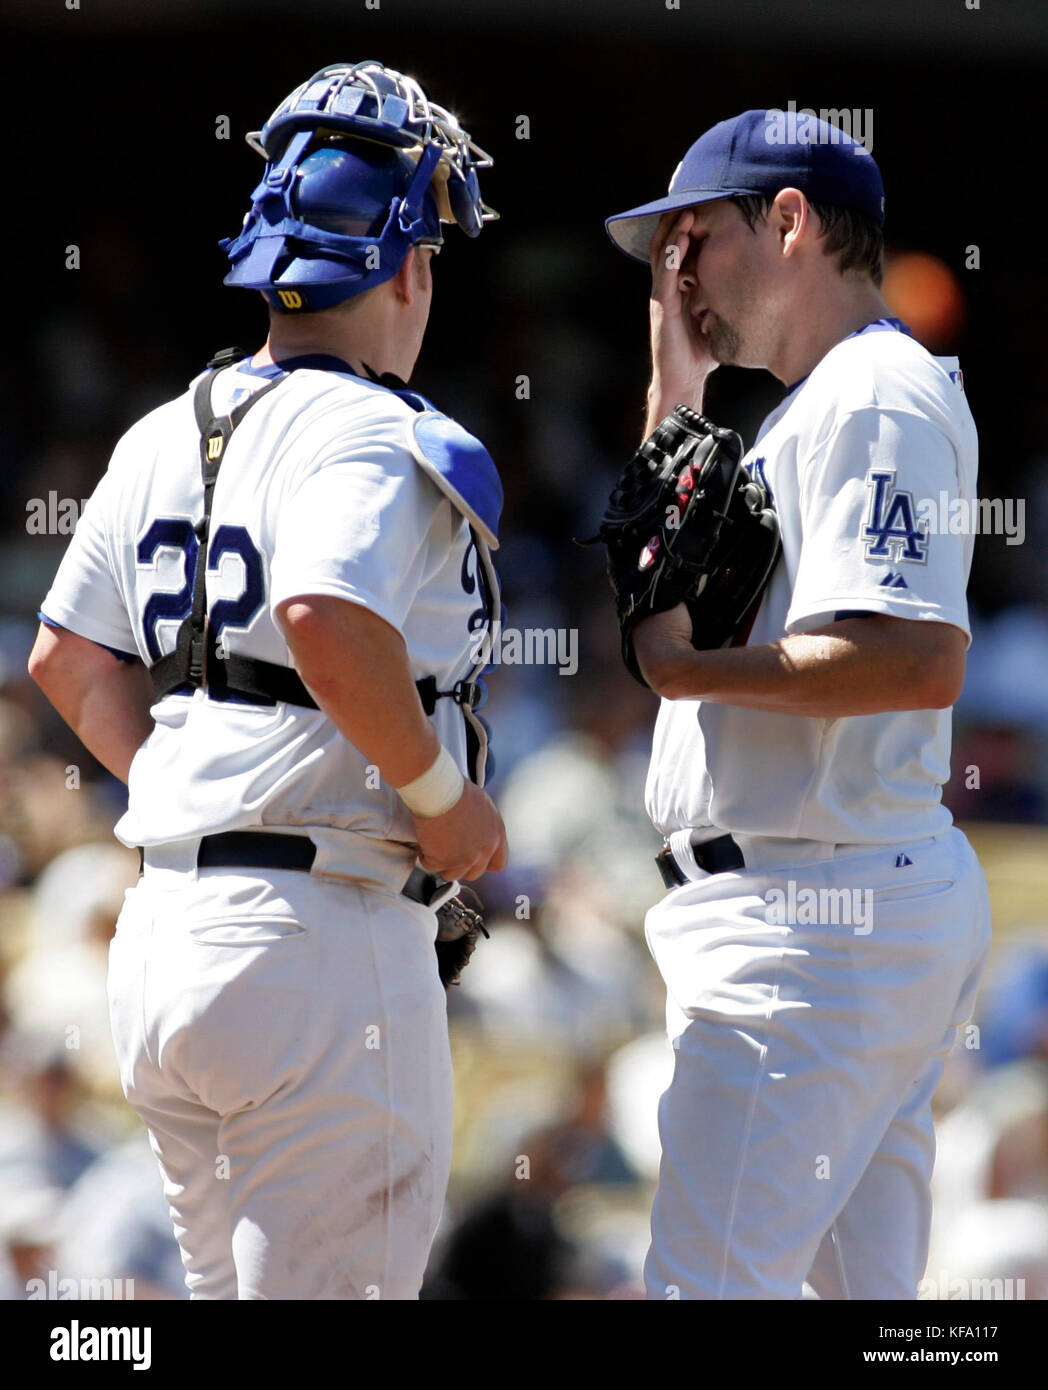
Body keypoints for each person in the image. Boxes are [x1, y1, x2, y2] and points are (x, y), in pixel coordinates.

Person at [28, 60, 507, 1300]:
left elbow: (64, 659)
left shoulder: (161, 426)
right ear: (406, 263)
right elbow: (322, 611)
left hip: (166, 934)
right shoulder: (378, 431)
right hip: (317, 944)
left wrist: (207, 789)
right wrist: (438, 791)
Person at [603, 108, 990, 1299]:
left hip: (814, 917)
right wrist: (677, 373)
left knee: (702, 1287)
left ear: (787, 222)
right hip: (828, 902)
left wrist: (688, 672)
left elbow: (913, 659)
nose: (678, 278)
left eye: (692, 243)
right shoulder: (814, 402)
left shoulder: (873, 395)